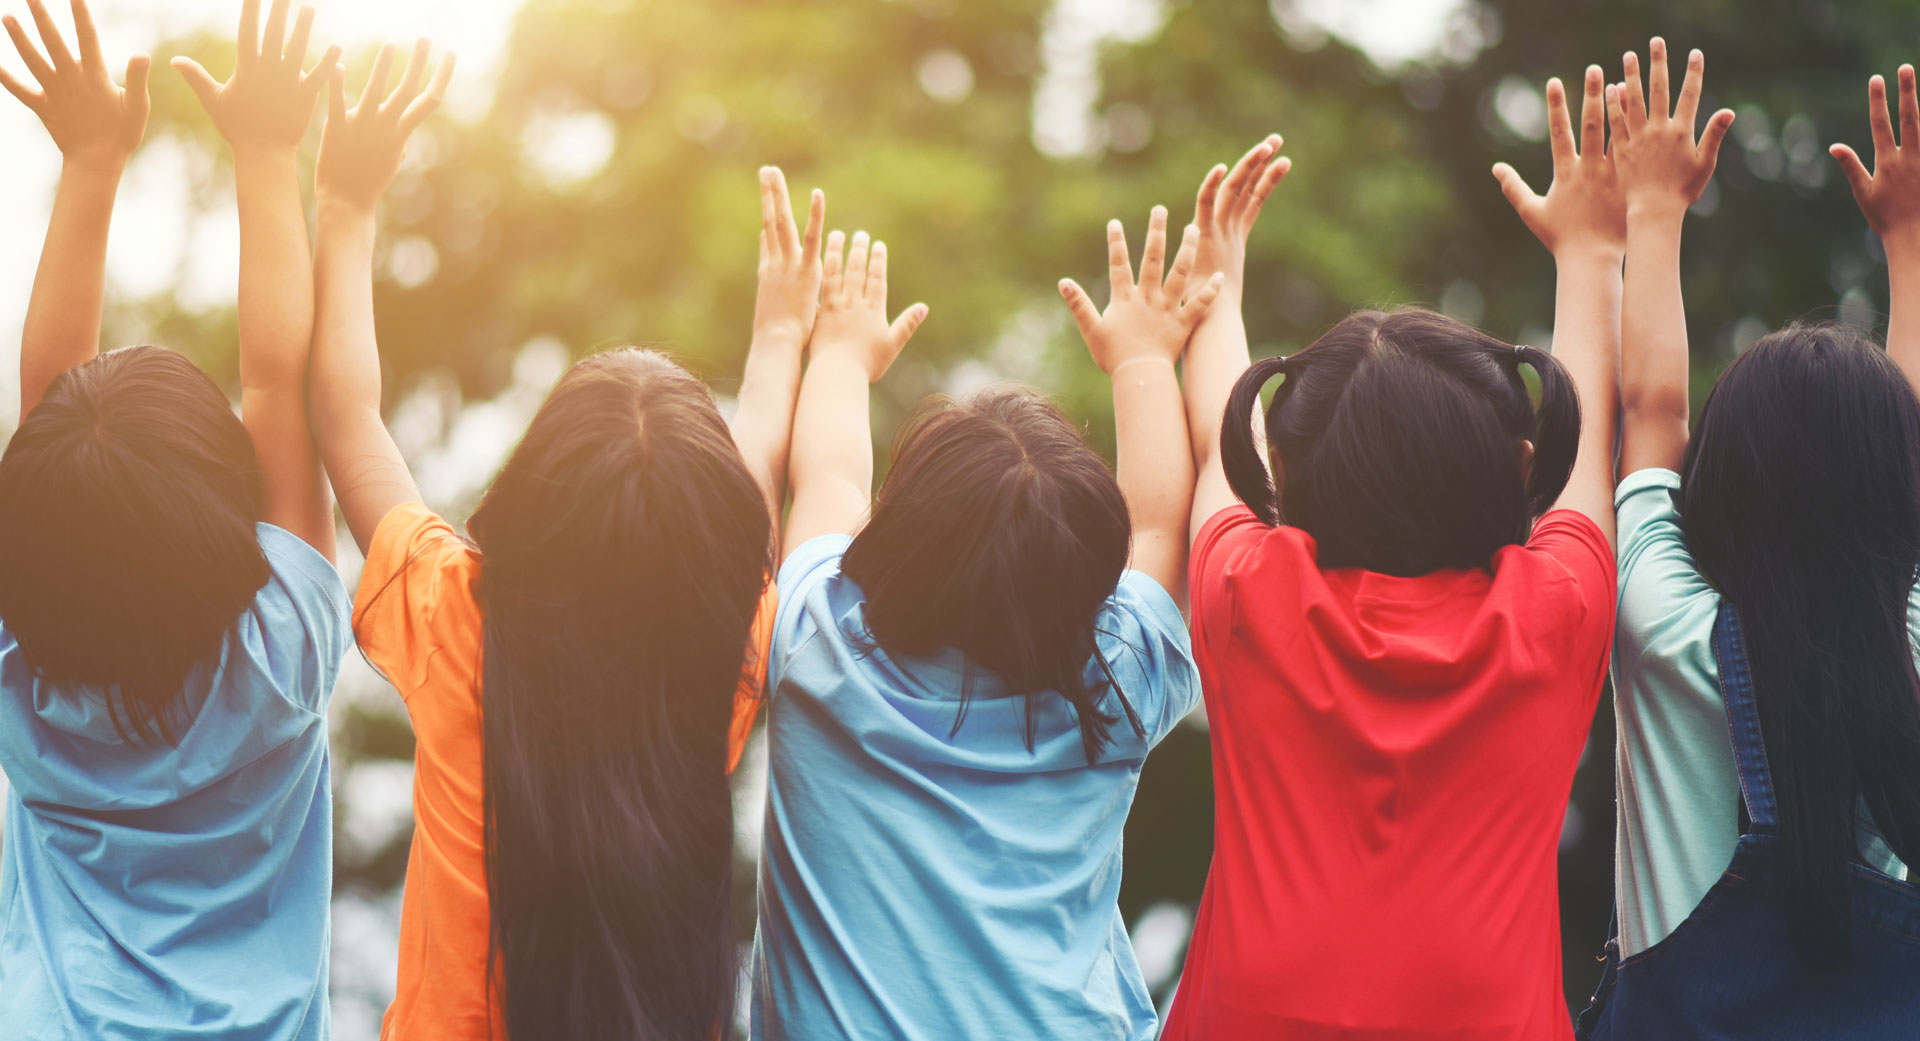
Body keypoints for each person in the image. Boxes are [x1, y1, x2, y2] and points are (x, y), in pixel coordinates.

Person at [307, 35, 816, 1038]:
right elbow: (742, 515)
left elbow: (347, 419)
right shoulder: (722, 656)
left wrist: (346, 205)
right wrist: (781, 339)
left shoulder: (457, 621)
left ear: (529, 498)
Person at [1162, 73, 1622, 1040]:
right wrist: (1590, 251)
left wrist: (1219, 281)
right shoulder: (1554, 612)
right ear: (1522, 466)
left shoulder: (1250, 595)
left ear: (1283, 483)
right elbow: (1594, 441)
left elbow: (1214, 445)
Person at [751, 210, 1218, 1039]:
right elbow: (1159, 525)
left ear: (900, 534)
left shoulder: (819, 646)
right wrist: (1145, 358)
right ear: (1090, 579)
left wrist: (840, 353)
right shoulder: (1116, 683)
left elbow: (827, 478)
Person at [0, 2, 350, 1038]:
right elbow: (279, 380)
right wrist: (270, 157)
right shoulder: (278, 657)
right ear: (228, 508)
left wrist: (90, 163)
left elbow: (47, 426)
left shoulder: (20, 674)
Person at [1577, 40, 1920, 1039]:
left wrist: (1653, 208)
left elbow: (1649, 411)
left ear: (1718, 479)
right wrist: (1909, 241)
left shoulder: (1661, 625)